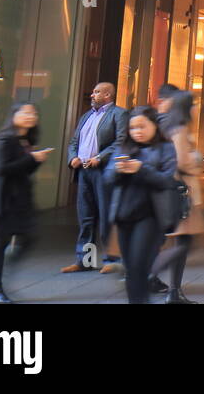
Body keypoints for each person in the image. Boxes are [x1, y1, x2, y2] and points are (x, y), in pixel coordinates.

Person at [104, 106, 179, 304]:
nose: (137, 131)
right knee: (130, 269)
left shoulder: (165, 148)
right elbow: (108, 177)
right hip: (124, 214)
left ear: (154, 126)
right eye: (133, 127)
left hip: (150, 215)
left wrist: (141, 169)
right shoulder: (123, 147)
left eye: (142, 126)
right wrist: (118, 170)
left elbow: (167, 181)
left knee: (138, 265)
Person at [0, 103, 50, 303]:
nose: (30, 116)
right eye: (25, 112)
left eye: (33, 113)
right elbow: (2, 168)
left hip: (19, 199)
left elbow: (23, 170)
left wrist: (35, 160)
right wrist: (32, 159)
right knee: (1, 242)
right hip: (4, 199)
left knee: (28, 238)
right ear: (14, 115)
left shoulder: (24, 140)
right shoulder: (5, 138)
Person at [62, 81, 128, 272]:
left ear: (108, 95)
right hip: (83, 172)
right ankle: (85, 261)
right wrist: (72, 157)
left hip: (104, 172)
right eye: (93, 91)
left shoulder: (119, 114)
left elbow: (121, 140)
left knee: (107, 217)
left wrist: (100, 157)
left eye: (97, 92)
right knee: (86, 218)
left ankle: (111, 260)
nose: (92, 95)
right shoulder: (86, 116)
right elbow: (74, 141)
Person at [153, 84, 204, 304]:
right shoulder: (180, 128)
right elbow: (182, 161)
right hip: (182, 192)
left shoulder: (165, 125)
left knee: (178, 242)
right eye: (193, 105)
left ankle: (168, 288)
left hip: (168, 191)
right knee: (184, 243)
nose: (195, 109)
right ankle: (169, 289)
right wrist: (197, 160)